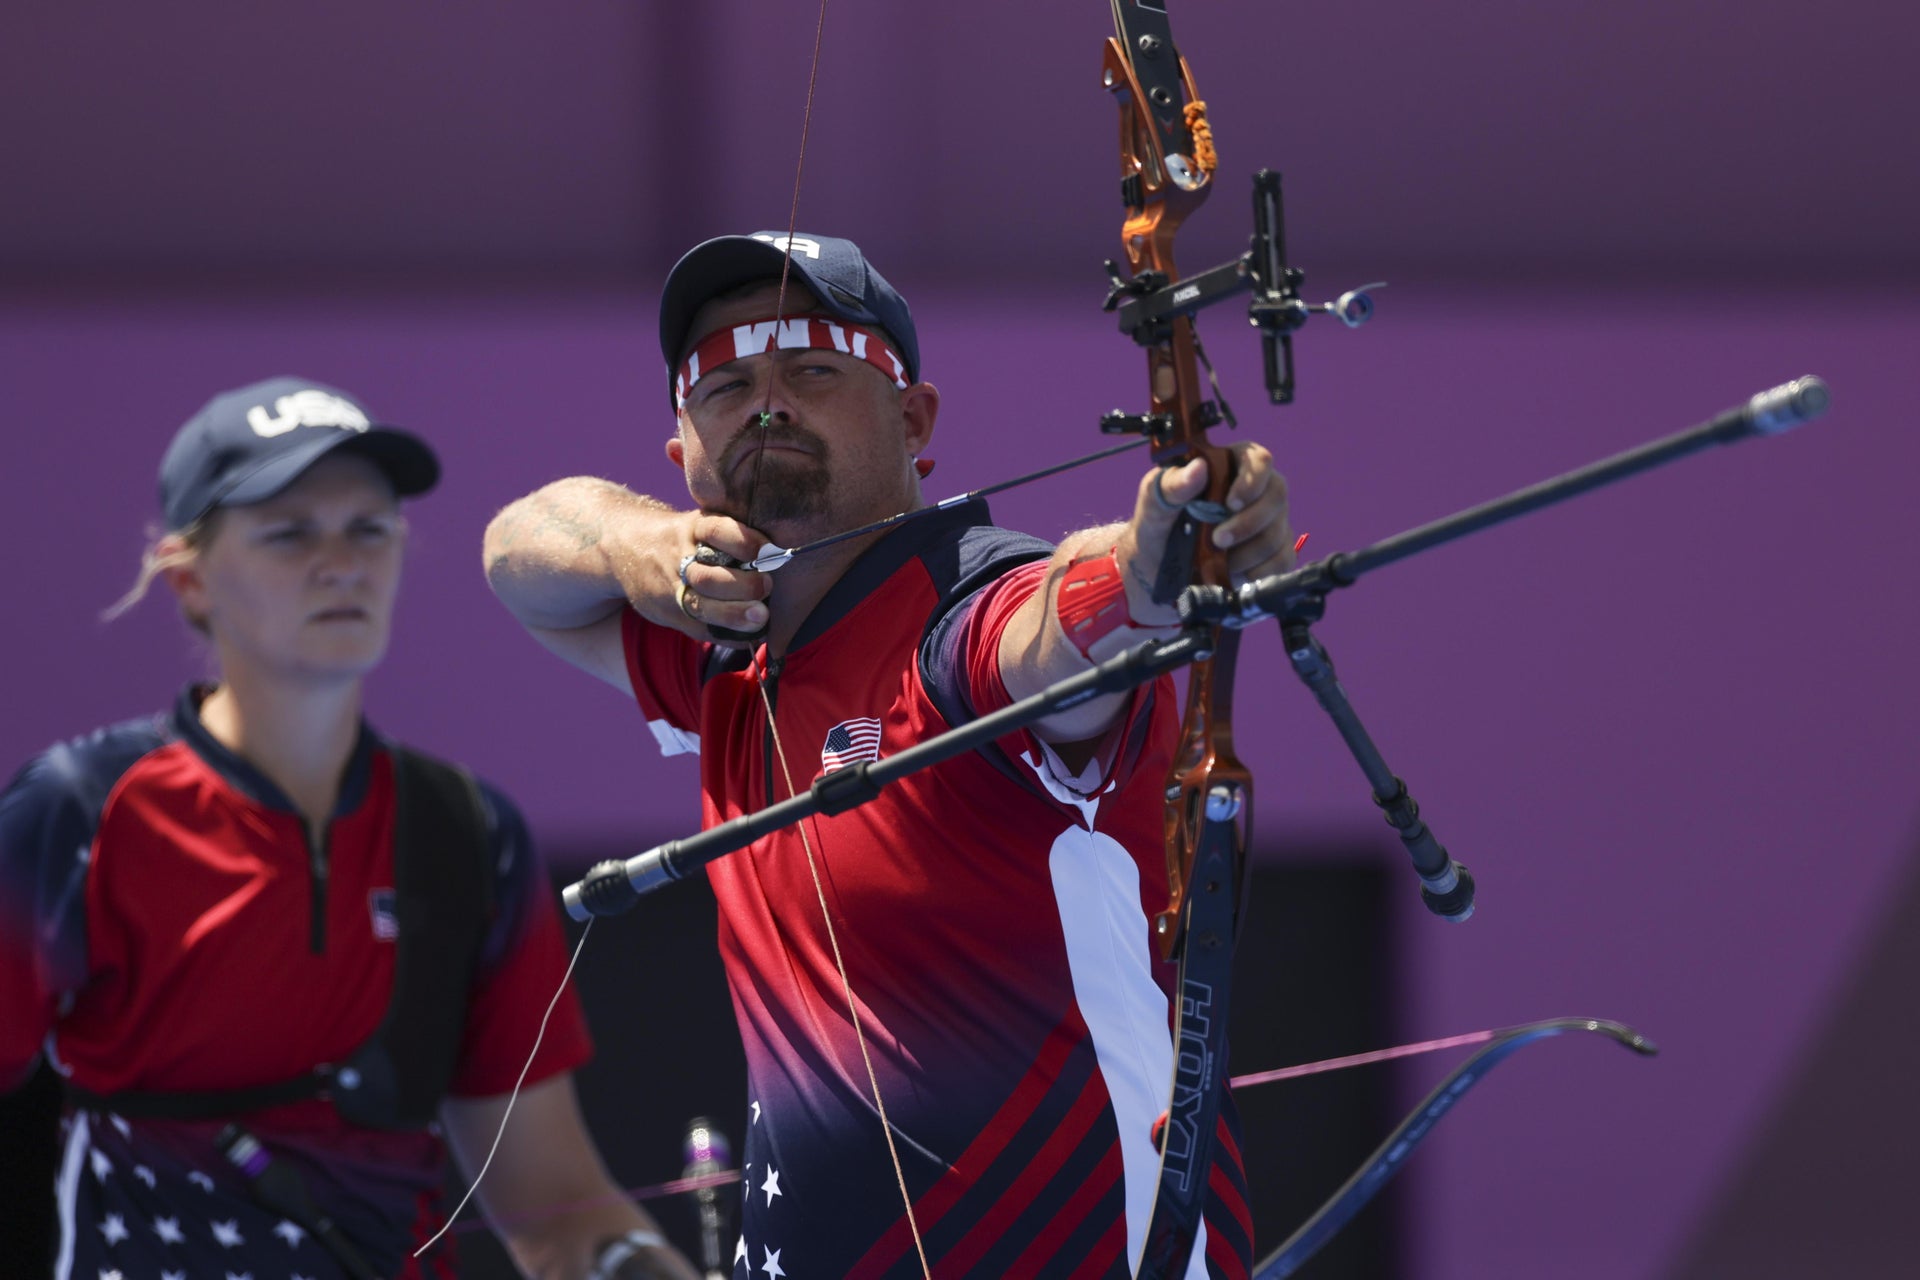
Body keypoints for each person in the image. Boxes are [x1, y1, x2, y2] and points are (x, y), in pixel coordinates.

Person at [483, 233, 1296, 1278]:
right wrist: (634, 546)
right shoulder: (722, 656)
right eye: (726, 386)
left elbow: (1051, 628)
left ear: (912, 421)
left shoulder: (963, 615)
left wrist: (1152, 561)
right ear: (682, 453)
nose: (767, 405)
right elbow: (516, 552)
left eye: (813, 371)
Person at [0, 378, 699, 1280]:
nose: (342, 563)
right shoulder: (78, 813)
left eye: (370, 528)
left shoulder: (467, 832)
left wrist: (639, 1266)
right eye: (290, 532)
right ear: (189, 580)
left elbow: (557, 1216)